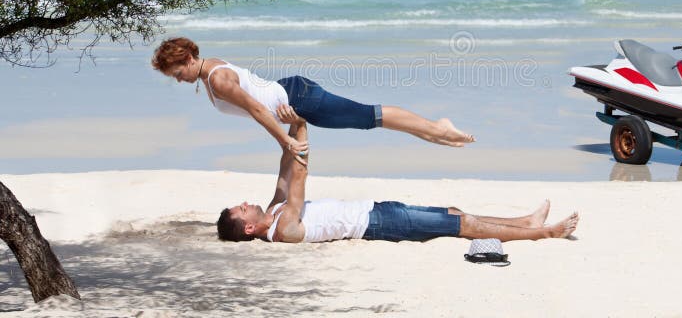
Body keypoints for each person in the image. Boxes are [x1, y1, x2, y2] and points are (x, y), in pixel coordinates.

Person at [216, 118, 579, 244]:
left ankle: (525, 222)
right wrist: (302, 125)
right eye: (242, 209)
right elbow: (299, 174)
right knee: (462, 224)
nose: (246, 202)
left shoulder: (275, 210)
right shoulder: (283, 229)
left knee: (454, 213)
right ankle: (542, 233)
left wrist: (291, 123)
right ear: (248, 228)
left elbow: (285, 164)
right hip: (379, 225)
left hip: (377, 211)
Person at [152, 37, 475, 163]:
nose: (178, 79)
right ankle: (432, 132)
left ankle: (437, 127)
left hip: (299, 99)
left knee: (368, 116)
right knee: (368, 120)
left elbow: (257, 109)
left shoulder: (217, 79)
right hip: (292, 93)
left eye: (177, 72)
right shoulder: (209, 68)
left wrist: (286, 142)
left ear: (189, 59)